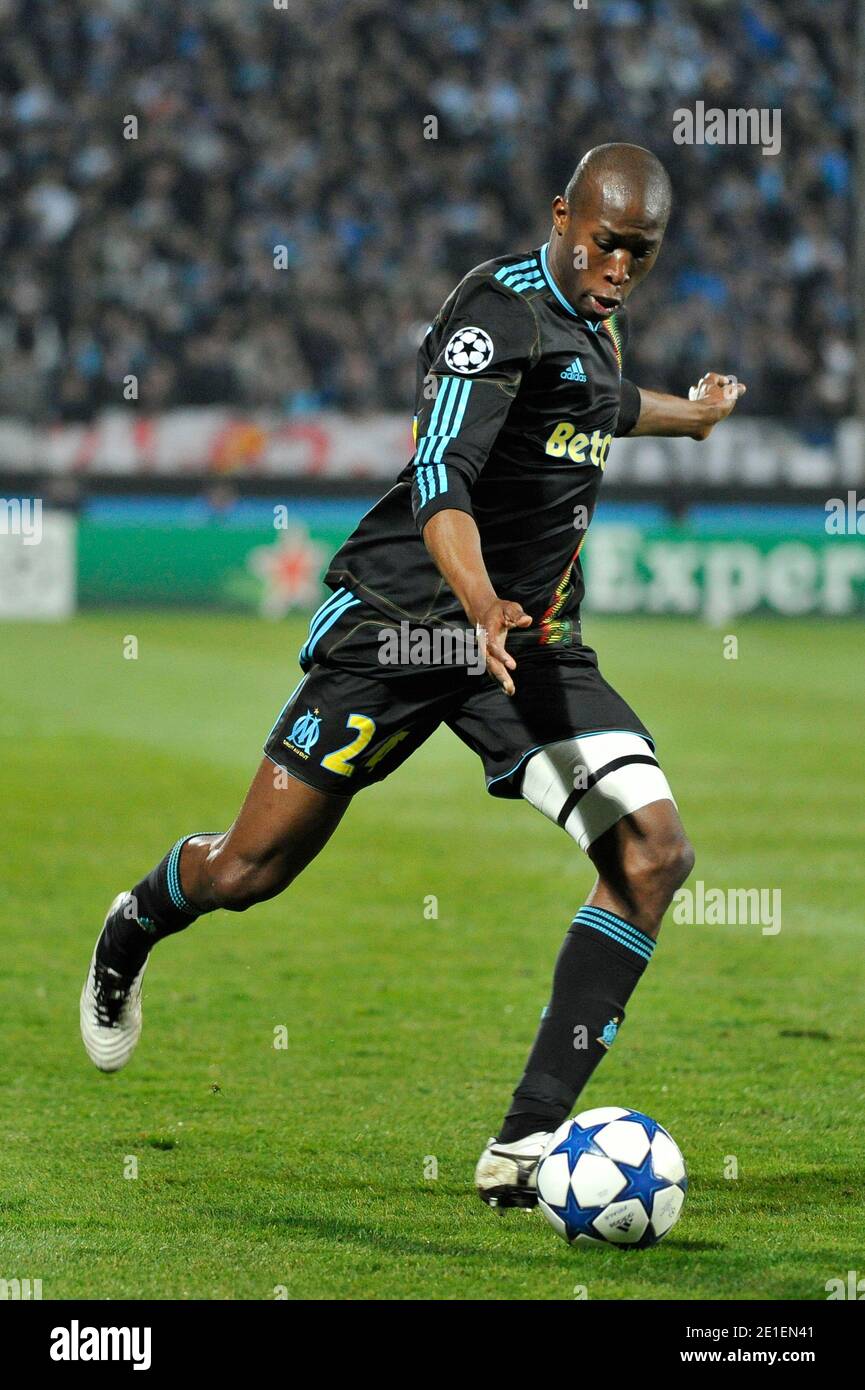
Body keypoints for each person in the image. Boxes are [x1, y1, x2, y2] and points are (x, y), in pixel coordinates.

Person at [81, 143, 746, 1207]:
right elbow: (441, 472)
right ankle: (137, 921)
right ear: (561, 215)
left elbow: (598, 404)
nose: (620, 267)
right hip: (406, 628)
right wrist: (476, 602)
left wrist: (692, 417)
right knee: (250, 869)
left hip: (523, 649)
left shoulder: (594, 324)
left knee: (652, 852)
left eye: (641, 253)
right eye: (605, 243)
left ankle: (523, 1145)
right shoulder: (495, 310)